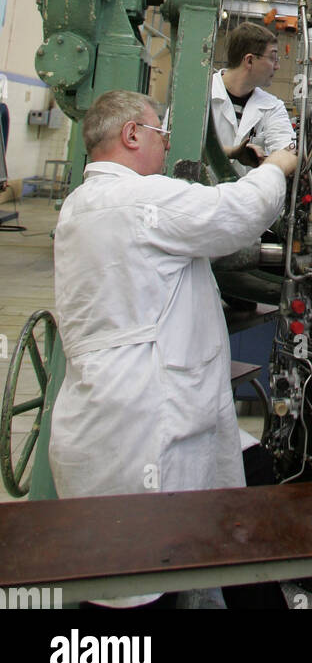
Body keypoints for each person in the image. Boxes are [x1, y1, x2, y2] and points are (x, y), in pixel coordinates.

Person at [49, 89, 298, 512]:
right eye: (161, 132)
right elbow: (235, 213)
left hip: (111, 416)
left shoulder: (81, 205)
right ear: (131, 134)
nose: (168, 143)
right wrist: (277, 166)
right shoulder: (136, 199)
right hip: (146, 429)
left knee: (233, 492)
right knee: (156, 558)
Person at [211, 23, 295, 175]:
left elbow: (287, 152)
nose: (277, 67)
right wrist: (231, 152)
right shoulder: (202, 95)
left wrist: (268, 169)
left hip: (247, 196)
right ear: (249, 60)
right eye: (273, 58)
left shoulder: (273, 107)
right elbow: (179, 143)